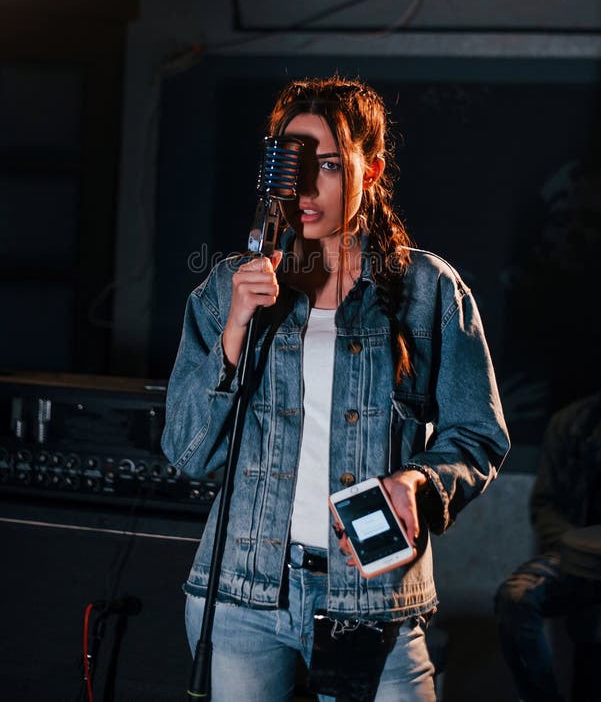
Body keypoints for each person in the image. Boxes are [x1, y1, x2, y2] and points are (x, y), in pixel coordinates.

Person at [161, 76, 510, 702]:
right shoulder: (227, 289)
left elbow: (478, 434)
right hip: (242, 593)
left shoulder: (429, 288)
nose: (305, 189)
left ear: (370, 171)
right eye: (293, 163)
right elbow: (186, 452)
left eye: (327, 164)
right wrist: (237, 329)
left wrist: (419, 482)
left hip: (374, 598)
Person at [494, 392, 601, 702]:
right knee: (516, 599)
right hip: (578, 557)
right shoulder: (574, 423)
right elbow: (545, 507)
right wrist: (580, 549)